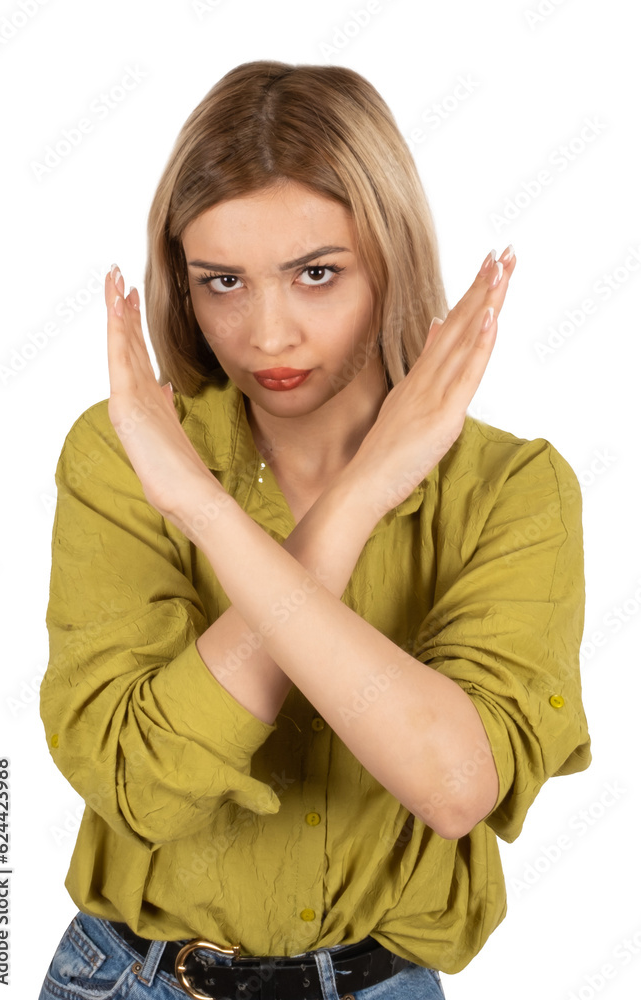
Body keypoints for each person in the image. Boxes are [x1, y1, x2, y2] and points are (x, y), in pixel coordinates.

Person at [38, 60, 591, 1000]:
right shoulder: (127, 452)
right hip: (133, 979)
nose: (267, 335)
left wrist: (221, 513)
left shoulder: (513, 489)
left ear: (392, 258)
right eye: (223, 281)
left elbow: (454, 784)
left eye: (316, 274)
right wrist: (336, 504)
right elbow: (144, 787)